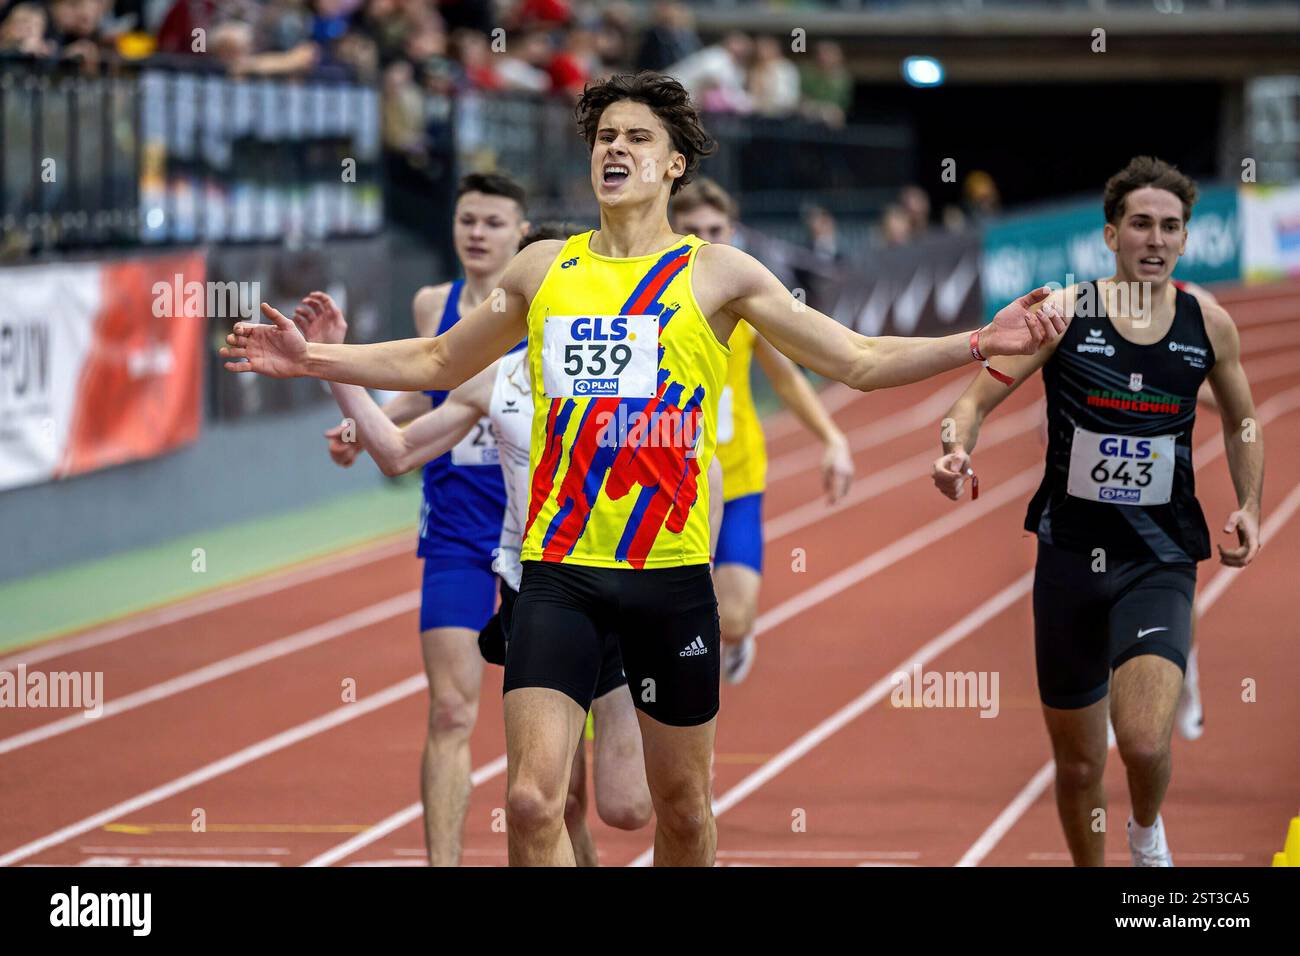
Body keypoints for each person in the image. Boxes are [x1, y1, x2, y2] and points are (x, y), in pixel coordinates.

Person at [222, 70, 1065, 867]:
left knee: (684, 810)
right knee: (526, 802)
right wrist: (317, 360)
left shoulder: (717, 273)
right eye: (604, 136)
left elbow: (860, 359)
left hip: (667, 576)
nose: (614, 148)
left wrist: (981, 342)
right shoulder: (544, 268)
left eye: (636, 136)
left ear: (673, 162)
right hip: (558, 570)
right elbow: (440, 357)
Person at [292, 227, 664, 865]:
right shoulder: (500, 379)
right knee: (531, 802)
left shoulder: (640, 366)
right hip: (538, 597)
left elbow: (695, 467)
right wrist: (331, 362)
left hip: (624, 595)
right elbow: (399, 450)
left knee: (626, 805)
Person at [931, 156, 1264, 866]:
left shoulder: (1210, 323)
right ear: (1110, 235)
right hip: (1068, 560)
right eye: (1140, 224)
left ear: (1185, 239)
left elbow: (1242, 422)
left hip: (1160, 556)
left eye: (1170, 227)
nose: (1155, 239)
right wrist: (955, 449)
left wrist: (1251, 506)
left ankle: (1145, 832)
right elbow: (972, 401)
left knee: (1142, 739)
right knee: (1079, 767)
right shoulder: (1063, 316)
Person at [326, 172, 530, 866]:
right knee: (450, 710)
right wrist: (366, 426)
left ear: (522, 234)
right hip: (455, 530)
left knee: (551, 754)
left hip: (542, 534)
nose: (477, 232)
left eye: (494, 222)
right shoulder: (431, 304)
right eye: (467, 219)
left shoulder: (545, 311)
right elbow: (430, 390)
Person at [670, 177, 853, 682]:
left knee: (734, 616)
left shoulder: (749, 300)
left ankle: (736, 634)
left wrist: (833, 439)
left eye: (715, 228)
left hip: (737, 477)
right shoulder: (653, 302)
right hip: (668, 483)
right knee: (672, 624)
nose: (705, 239)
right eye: (692, 229)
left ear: (732, 230)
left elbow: (788, 381)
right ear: (673, 230)